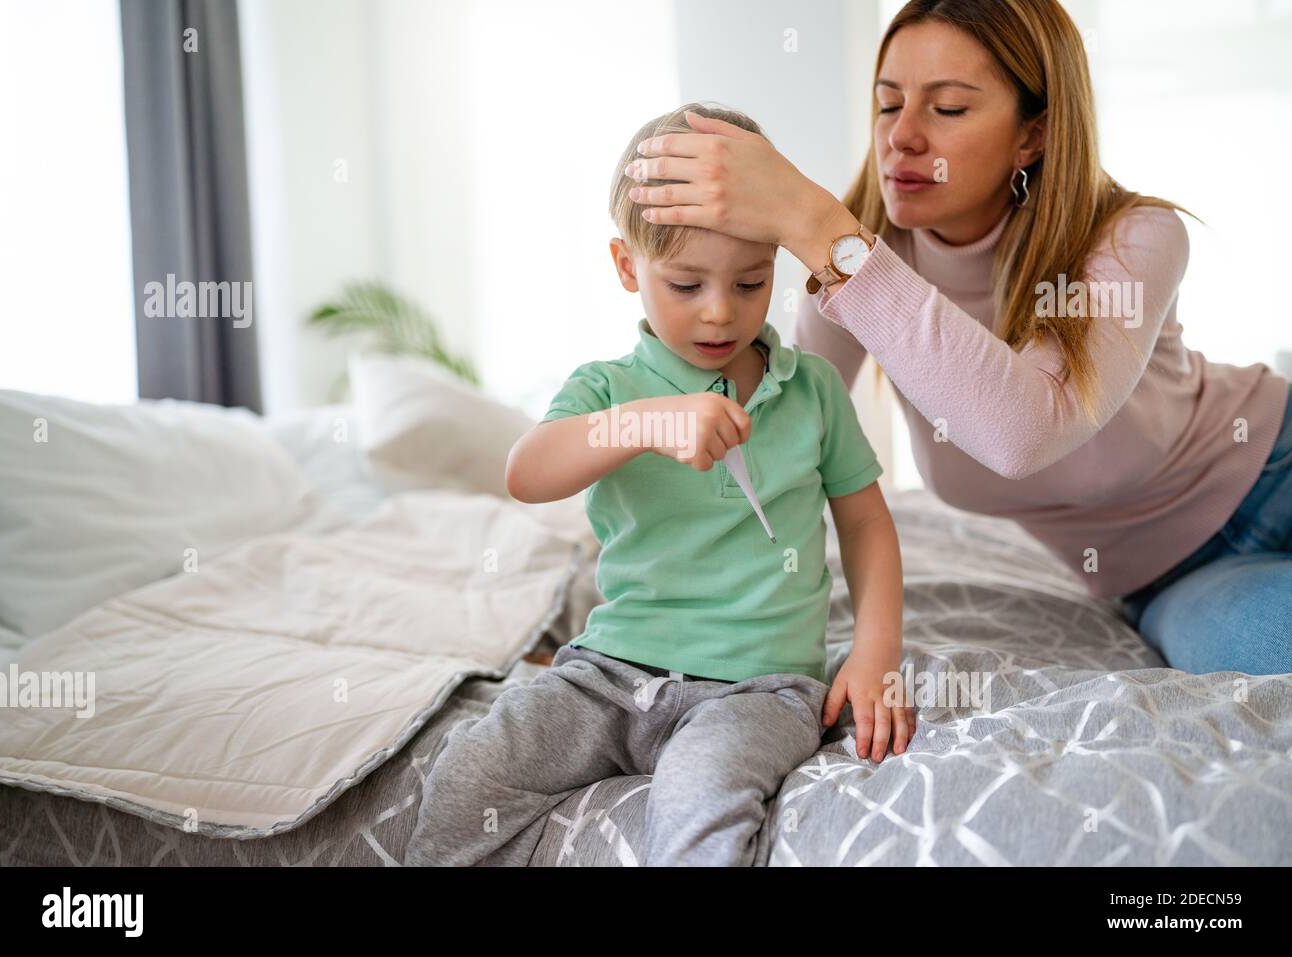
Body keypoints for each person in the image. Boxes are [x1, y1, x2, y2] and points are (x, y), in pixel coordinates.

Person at [624, 0, 1291, 674]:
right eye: (888, 105)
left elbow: (1024, 428)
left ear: (1033, 135)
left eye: (947, 109)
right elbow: (765, 441)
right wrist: (637, 629)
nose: (902, 137)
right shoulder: (861, 264)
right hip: (1166, 577)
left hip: (1276, 461)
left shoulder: (1134, 238)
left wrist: (812, 218)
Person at [407, 105, 906, 868]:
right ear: (626, 265)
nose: (720, 310)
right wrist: (640, 424)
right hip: (610, 674)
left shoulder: (812, 390)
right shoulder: (608, 390)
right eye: (685, 283)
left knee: (700, 802)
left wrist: (875, 653)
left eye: (751, 281)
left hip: (759, 688)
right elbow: (527, 471)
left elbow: (868, 526)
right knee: (468, 773)